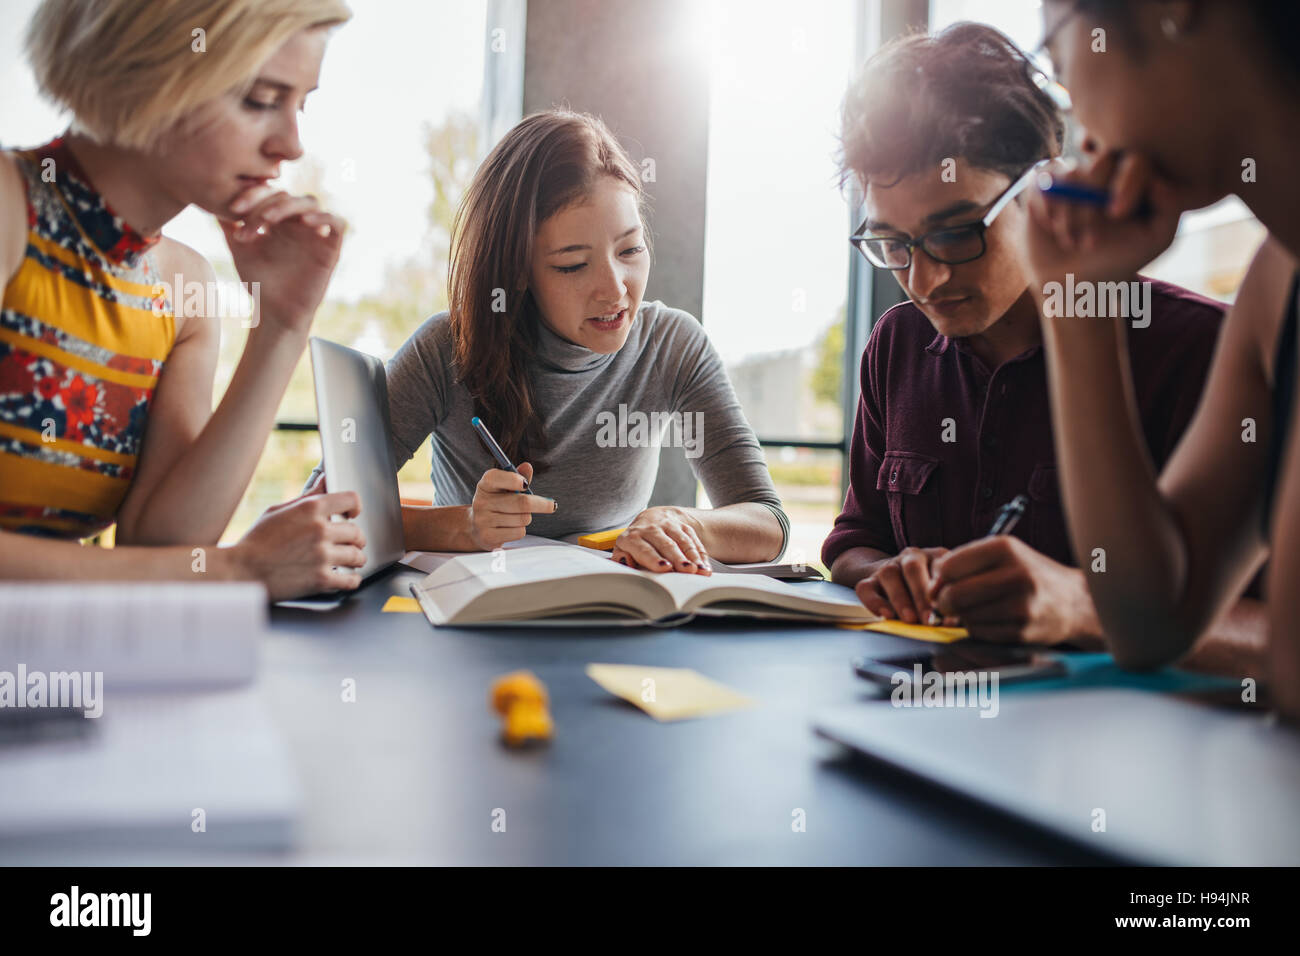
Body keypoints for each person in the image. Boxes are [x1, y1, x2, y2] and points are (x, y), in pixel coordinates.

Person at [822, 22, 1264, 669]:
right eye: (894, 244)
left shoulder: (1204, 349)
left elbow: (1275, 632)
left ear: (1042, 186)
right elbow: (854, 540)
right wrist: (892, 572)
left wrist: (1082, 607)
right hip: (922, 712)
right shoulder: (898, 344)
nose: (924, 279)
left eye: (957, 232)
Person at [308, 110, 787, 574]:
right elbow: (321, 509)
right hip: (472, 623)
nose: (616, 288)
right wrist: (464, 527)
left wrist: (686, 523)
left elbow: (769, 522)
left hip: (614, 615)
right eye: (573, 265)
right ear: (517, 272)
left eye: (630, 249)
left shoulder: (673, 345)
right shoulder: (446, 348)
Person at [0, 0, 366, 600]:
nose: (292, 145)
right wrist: (237, 570)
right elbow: (186, 570)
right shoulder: (10, 207)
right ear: (151, 72)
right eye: (259, 100)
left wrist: (281, 324)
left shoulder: (185, 288)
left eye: (301, 104)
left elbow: (162, 548)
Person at [1010, 0, 1300, 714]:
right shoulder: (1274, 287)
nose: (1070, 97)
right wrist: (1077, 306)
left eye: (1056, 49)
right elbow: (1151, 621)